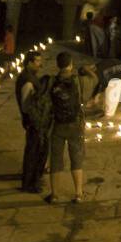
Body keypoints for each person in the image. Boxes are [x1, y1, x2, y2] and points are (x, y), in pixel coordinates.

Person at [45, 52, 98, 204]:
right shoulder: (78, 81)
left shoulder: (51, 82)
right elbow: (95, 80)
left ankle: (54, 194)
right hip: (75, 125)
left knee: (55, 159)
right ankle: (78, 193)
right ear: (71, 65)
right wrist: (87, 70)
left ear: (58, 65)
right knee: (76, 158)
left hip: (57, 125)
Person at [15, 50, 48, 194]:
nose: (40, 65)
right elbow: (26, 105)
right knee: (33, 152)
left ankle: (33, 179)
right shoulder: (27, 81)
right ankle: (29, 183)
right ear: (29, 63)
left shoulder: (30, 77)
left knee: (36, 151)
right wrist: (36, 122)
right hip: (34, 122)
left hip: (35, 121)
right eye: (37, 62)